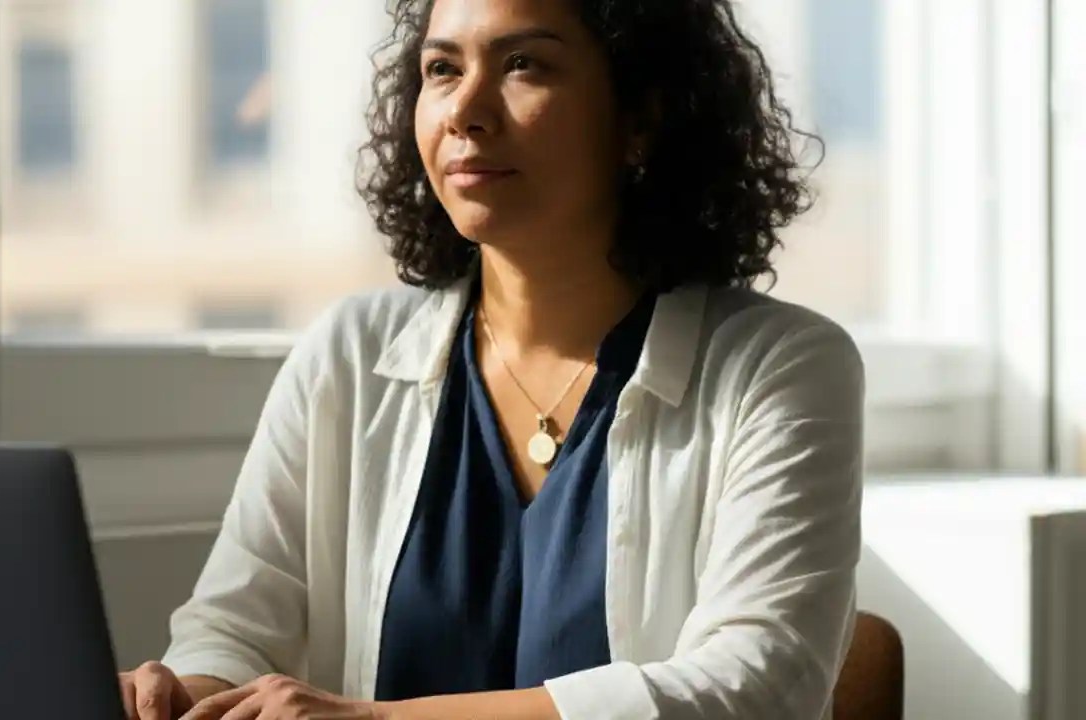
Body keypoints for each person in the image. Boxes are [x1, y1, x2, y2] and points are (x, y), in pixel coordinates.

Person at [119, 0, 864, 717]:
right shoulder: (348, 353)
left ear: (641, 116)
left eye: (523, 64)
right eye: (442, 69)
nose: (464, 112)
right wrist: (181, 693)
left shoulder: (783, 367)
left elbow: (758, 687)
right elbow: (236, 627)